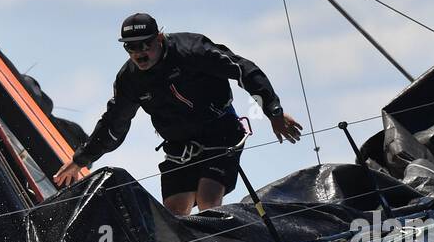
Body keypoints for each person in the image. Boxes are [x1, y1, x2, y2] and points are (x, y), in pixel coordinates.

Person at [53, 13, 304, 215]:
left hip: (221, 134)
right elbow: (114, 123)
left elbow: (244, 70)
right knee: (174, 213)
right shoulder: (130, 79)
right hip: (178, 148)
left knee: (208, 199)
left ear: (159, 38)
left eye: (145, 45)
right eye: (131, 48)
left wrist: (274, 112)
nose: (140, 53)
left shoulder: (191, 50)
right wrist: (81, 159)